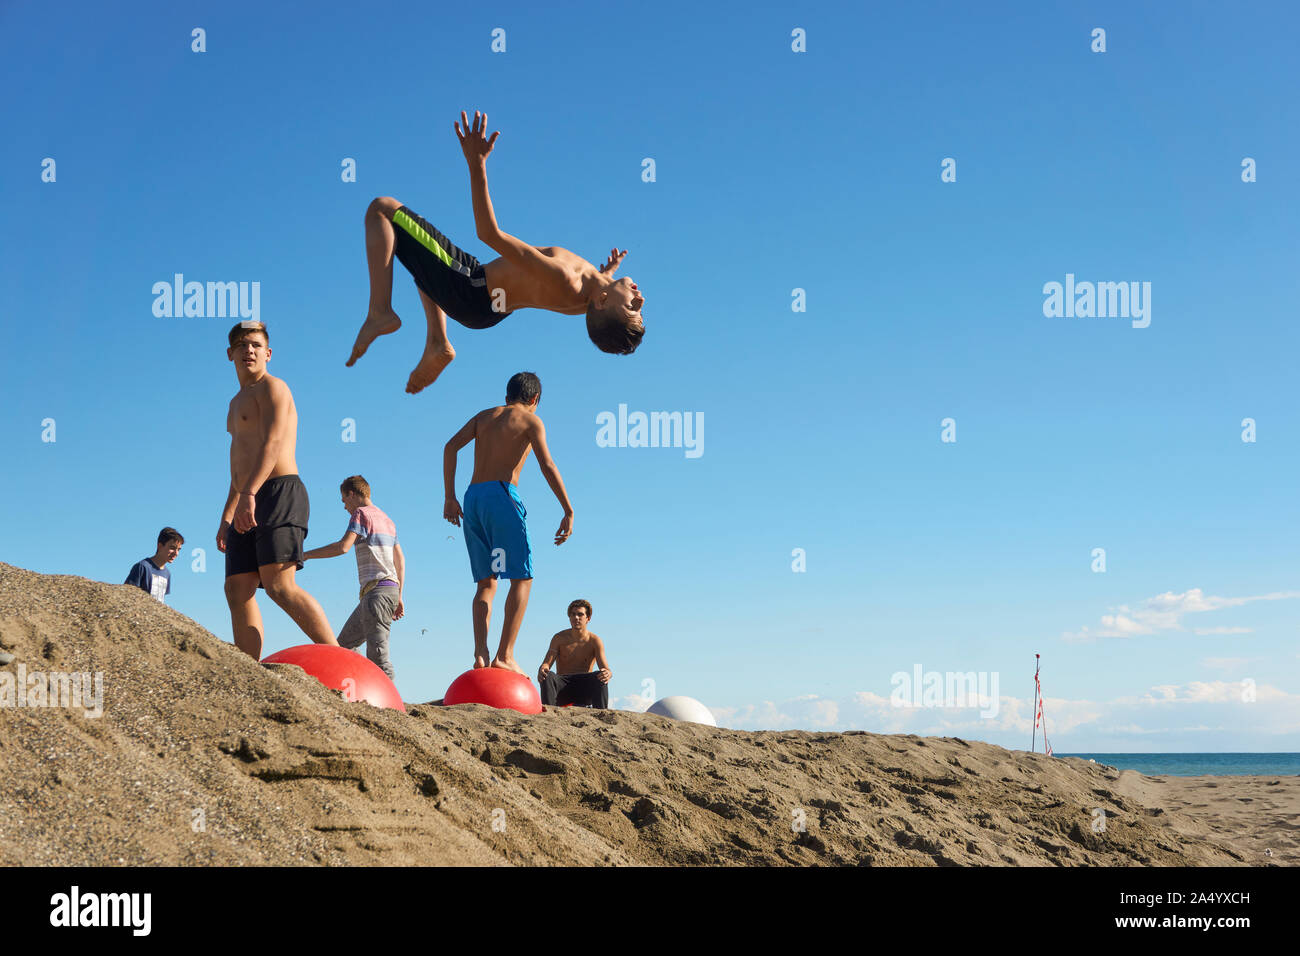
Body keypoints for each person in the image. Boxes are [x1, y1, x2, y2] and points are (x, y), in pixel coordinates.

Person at [346, 109, 646, 394]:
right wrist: (609, 273)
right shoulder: (590, 297)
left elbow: (488, 233)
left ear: (604, 300)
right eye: (640, 309)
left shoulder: (566, 277)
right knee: (423, 260)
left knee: (382, 210)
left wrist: (476, 163)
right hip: (485, 306)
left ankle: (379, 312)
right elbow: (596, 297)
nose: (640, 300)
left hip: (471, 287)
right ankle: (437, 341)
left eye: (632, 308)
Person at [217, 321, 337, 659]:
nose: (248, 350)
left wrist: (249, 494)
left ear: (268, 353)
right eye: (241, 345)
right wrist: (228, 514)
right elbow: (238, 462)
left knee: (279, 586)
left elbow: (272, 444)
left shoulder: (274, 388)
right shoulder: (234, 403)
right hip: (247, 497)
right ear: (230, 354)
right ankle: (249, 670)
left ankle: (341, 658)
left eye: (255, 344)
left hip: (278, 492)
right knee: (237, 588)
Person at [443, 371, 573, 674]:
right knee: (521, 577)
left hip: (473, 497)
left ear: (507, 396)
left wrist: (449, 496)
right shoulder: (531, 420)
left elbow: (450, 447)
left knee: (486, 583)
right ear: (535, 399)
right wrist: (567, 508)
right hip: (502, 495)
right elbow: (548, 465)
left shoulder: (484, 416)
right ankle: (505, 655)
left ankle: (480, 654)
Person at [303, 476, 405, 680]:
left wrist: (305, 554)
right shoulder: (387, 519)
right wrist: (399, 595)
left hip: (377, 593)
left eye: (344, 500)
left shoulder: (361, 514)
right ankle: (355, 686)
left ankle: (392, 706)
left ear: (351, 493)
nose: (345, 507)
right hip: (385, 591)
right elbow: (400, 560)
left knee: (379, 656)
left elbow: (343, 547)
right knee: (344, 646)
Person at [537, 599, 612, 708]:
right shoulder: (559, 638)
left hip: (584, 689)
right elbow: (546, 664)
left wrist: (608, 673)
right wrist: (543, 668)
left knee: (600, 676)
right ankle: (548, 714)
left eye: (580, 614)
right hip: (562, 687)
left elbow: (606, 669)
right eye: (573, 614)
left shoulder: (594, 641)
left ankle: (602, 715)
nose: (576, 617)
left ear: (588, 618)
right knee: (547, 675)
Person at [124, 528, 184, 604]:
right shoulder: (142, 567)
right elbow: (126, 594)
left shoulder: (167, 573)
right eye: (172, 548)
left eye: (178, 549)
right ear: (160, 546)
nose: (176, 553)